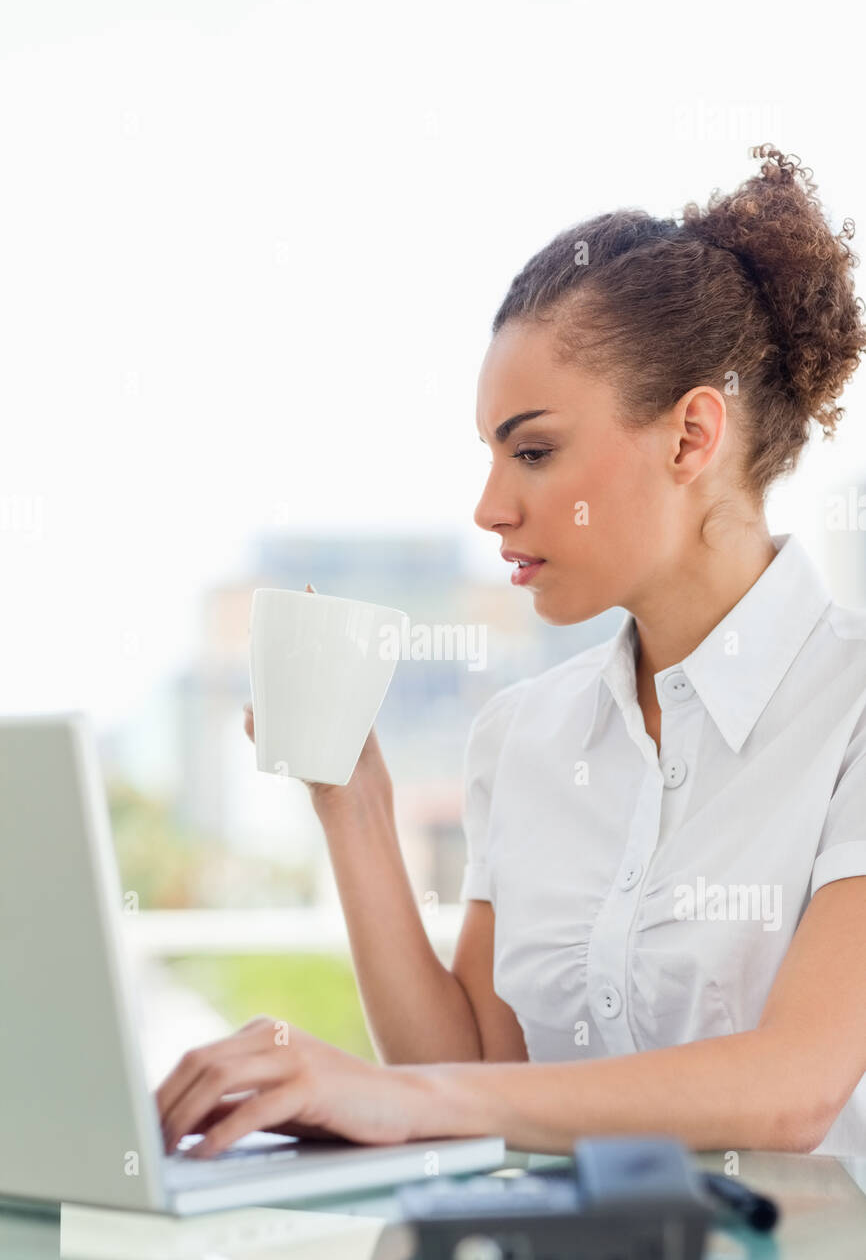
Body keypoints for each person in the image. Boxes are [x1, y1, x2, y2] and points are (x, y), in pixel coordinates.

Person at [157, 145, 866, 1159]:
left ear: (688, 437)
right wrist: (352, 806)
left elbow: (793, 1085)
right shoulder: (524, 738)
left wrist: (404, 1097)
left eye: (532, 451)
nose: (491, 507)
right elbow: (476, 1072)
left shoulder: (848, 706)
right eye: (489, 455)